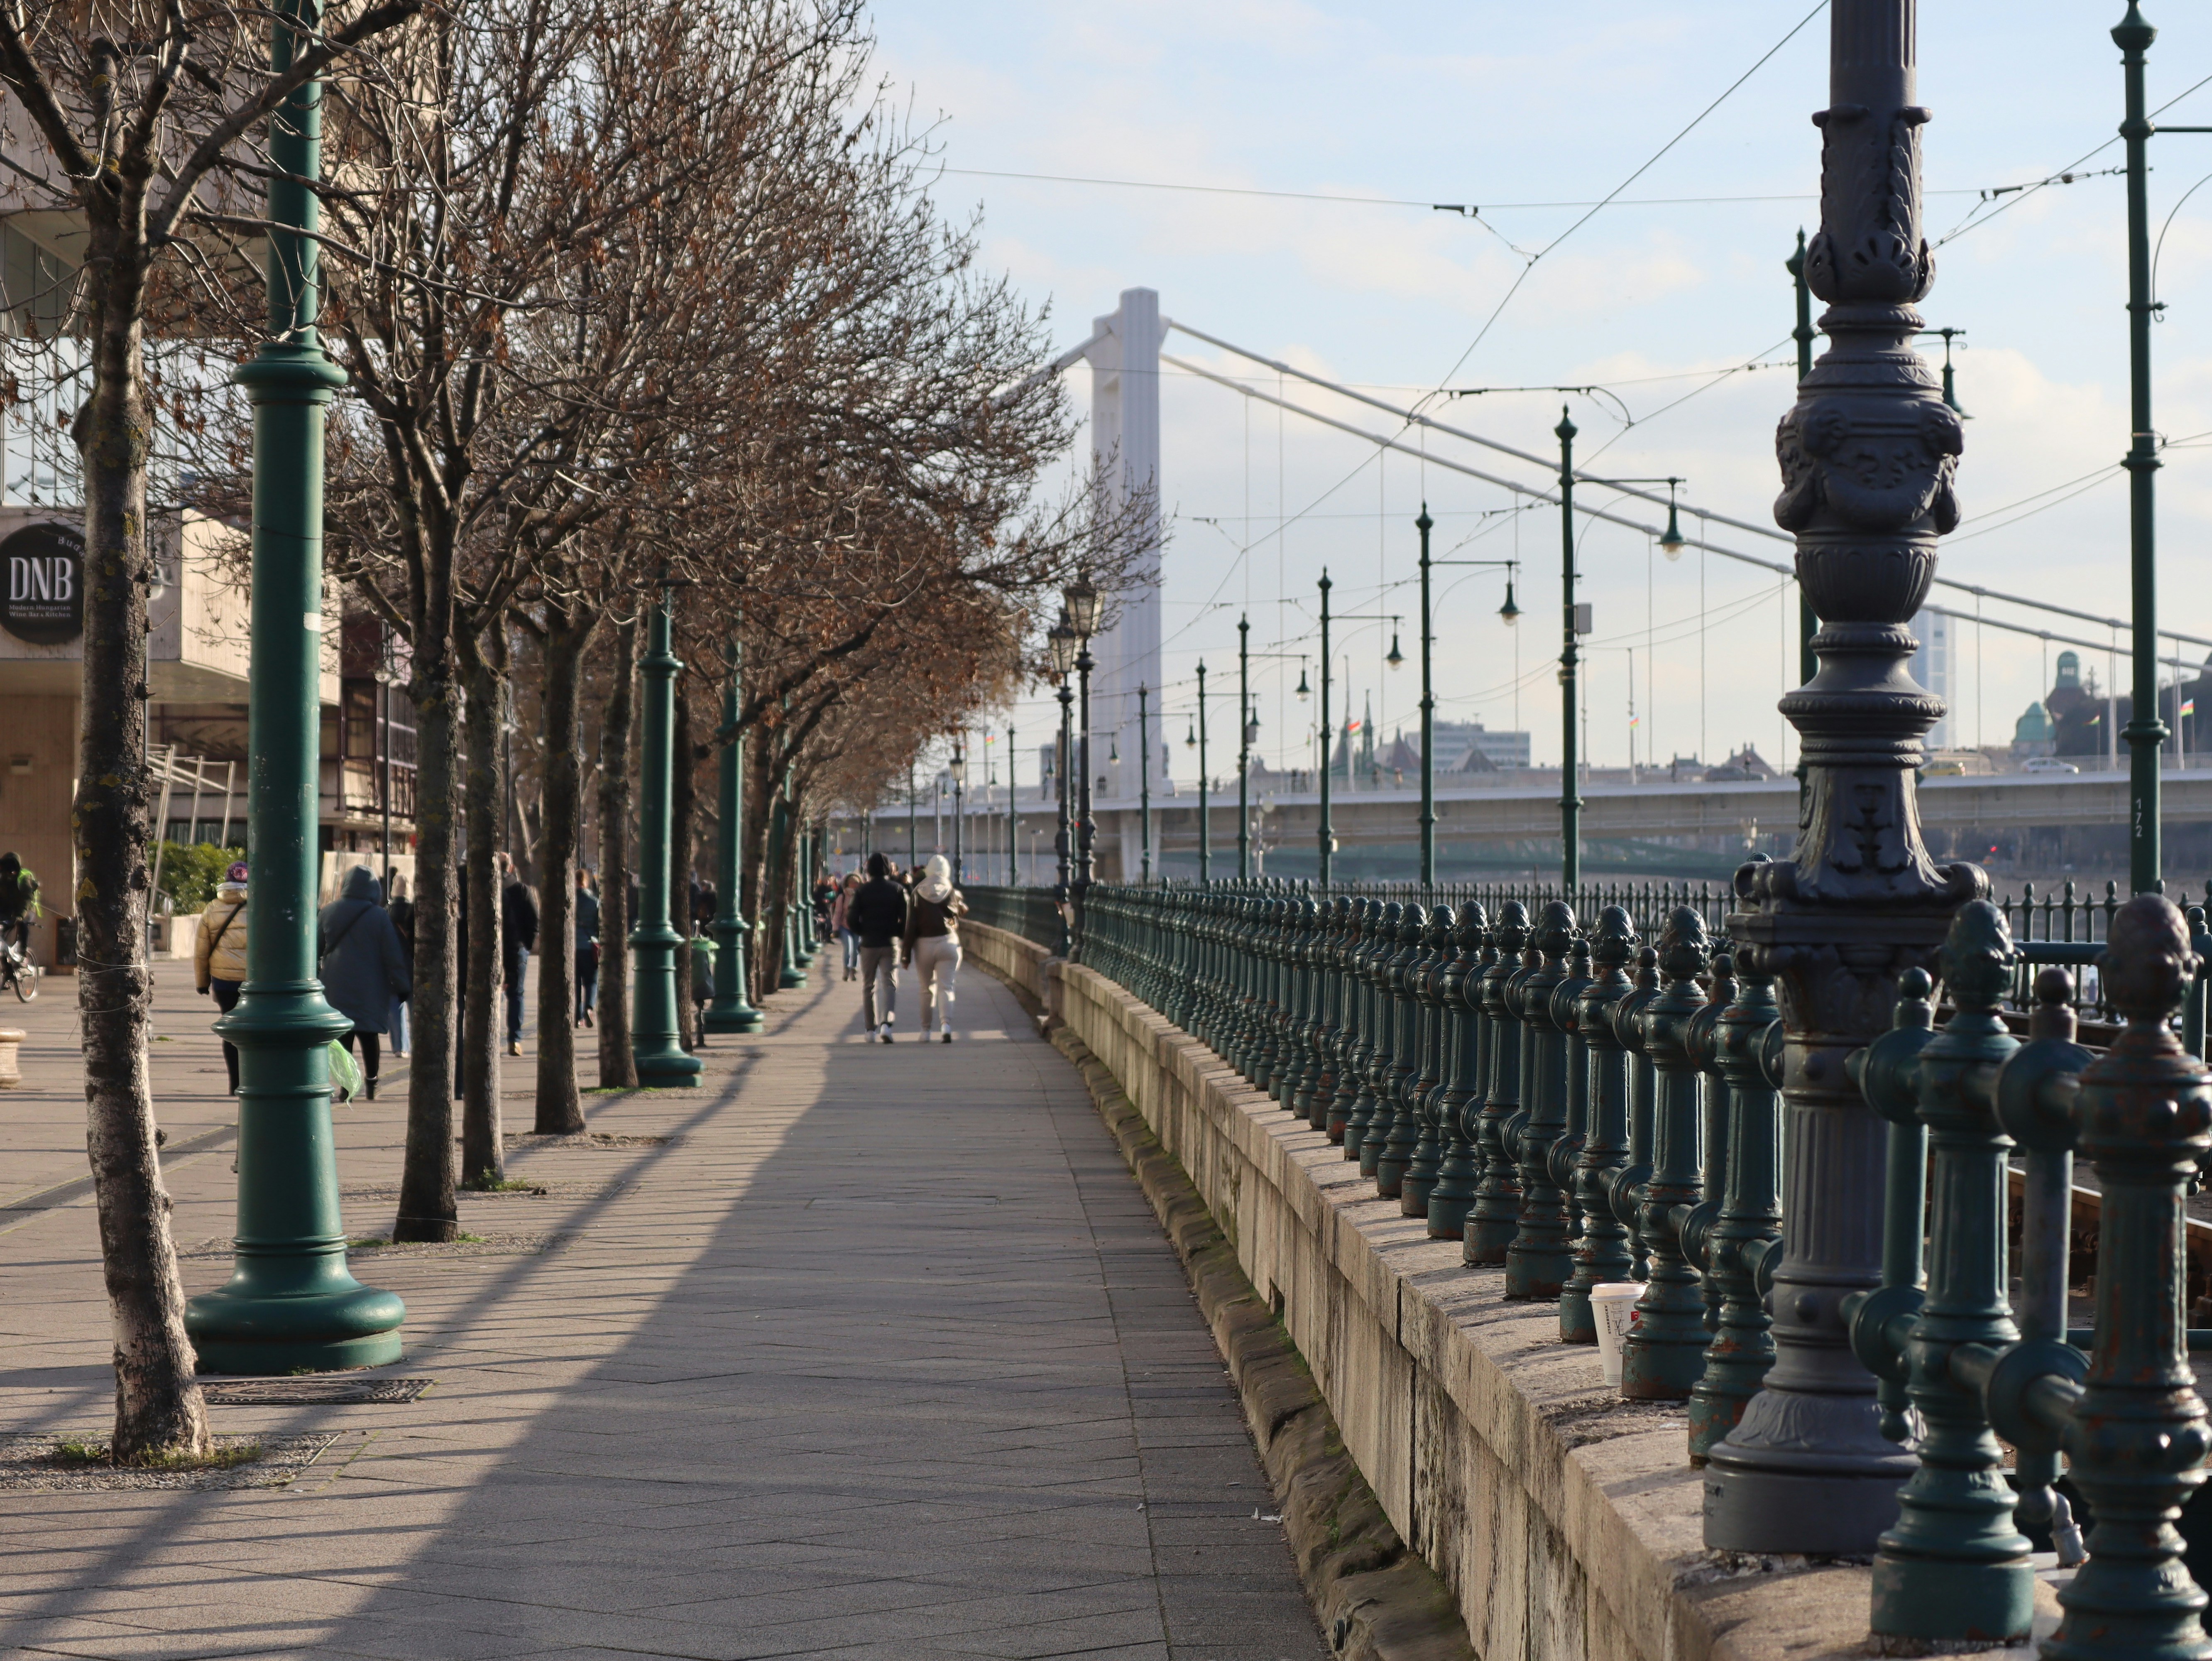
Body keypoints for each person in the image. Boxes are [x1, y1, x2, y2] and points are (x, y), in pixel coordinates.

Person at [318, 866, 411, 1101]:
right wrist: (402, 985)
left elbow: (315, 949)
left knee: (343, 1038)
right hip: (371, 987)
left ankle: (347, 1087)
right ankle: (372, 1084)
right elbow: (392, 954)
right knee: (370, 1036)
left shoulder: (328, 911)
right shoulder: (379, 915)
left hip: (335, 985)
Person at [193, 862, 250, 1095]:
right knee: (254, 1031)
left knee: (231, 1030)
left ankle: (235, 1083)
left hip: (224, 981)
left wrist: (202, 983)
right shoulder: (259, 908)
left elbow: (201, 951)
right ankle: (252, 1080)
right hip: (253, 982)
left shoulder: (212, 908)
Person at [902, 853, 967, 1044]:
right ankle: (946, 1026)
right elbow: (958, 911)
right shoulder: (951, 891)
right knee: (946, 987)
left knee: (926, 989)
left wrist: (906, 956)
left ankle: (925, 1031)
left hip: (925, 944)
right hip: (948, 942)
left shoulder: (917, 892)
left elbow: (910, 926)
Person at [847, 852, 908, 1041]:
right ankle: (886, 1024)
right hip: (889, 942)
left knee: (868, 985)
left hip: (869, 943)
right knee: (890, 983)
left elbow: (851, 918)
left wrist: (862, 931)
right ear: (889, 869)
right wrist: (897, 933)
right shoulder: (897, 889)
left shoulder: (862, 891)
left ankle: (869, 1030)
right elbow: (906, 918)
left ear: (869, 870)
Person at [500, 853, 539, 1057]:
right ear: (512, 867)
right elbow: (534, 919)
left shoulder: (487, 888)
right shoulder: (521, 889)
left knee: (494, 994)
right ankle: (514, 1039)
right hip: (517, 947)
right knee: (516, 994)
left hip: (494, 947)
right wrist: (528, 944)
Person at [384, 870, 412, 1055]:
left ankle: (399, 1046)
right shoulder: (416, 911)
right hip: (414, 965)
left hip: (394, 967)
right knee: (417, 1009)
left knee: (395, 1009)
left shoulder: (385, 913)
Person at [0, 852, 39, 963]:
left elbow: (26, 899)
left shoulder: (23, 879)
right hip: (9, 908)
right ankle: (6, 964)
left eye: (12, 871)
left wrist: (20, 916)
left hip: (27, 909)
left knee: (21, 922)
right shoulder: (2, 878)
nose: (9, 874)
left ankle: (22, 950)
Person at [574, 868, 601, 1027]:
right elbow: (599, 925)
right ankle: (589, 1008)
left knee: (576, 982)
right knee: (591, 981)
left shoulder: (570, 899)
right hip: (589, 945)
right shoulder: (594, 901)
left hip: (573, 945)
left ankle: (577, 1017)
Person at [828, 872, 861, 981]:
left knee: (856, 949)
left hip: (857, 927)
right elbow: (837, 913)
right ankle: (846, 968)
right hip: (845, 926)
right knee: (849, 948)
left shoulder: (861, 896)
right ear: (847, 884)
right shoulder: (842, 897)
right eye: (853, 883)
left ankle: (854, 969)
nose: (855, 885)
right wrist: (835, 928)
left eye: (857, 883)